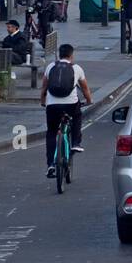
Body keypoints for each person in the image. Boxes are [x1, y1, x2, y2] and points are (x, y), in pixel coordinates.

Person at [41, 43, 93, 178]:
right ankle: (76, 142)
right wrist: (88, 101)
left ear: (59, 54)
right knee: (77, 117)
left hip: (52, 105)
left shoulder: (50, 67)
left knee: (51, 132)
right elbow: (85, 89)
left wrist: (43, 102)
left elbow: (44, 88)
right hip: (70, 104)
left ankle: (51, 164)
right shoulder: (77, 68)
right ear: (71, 55)